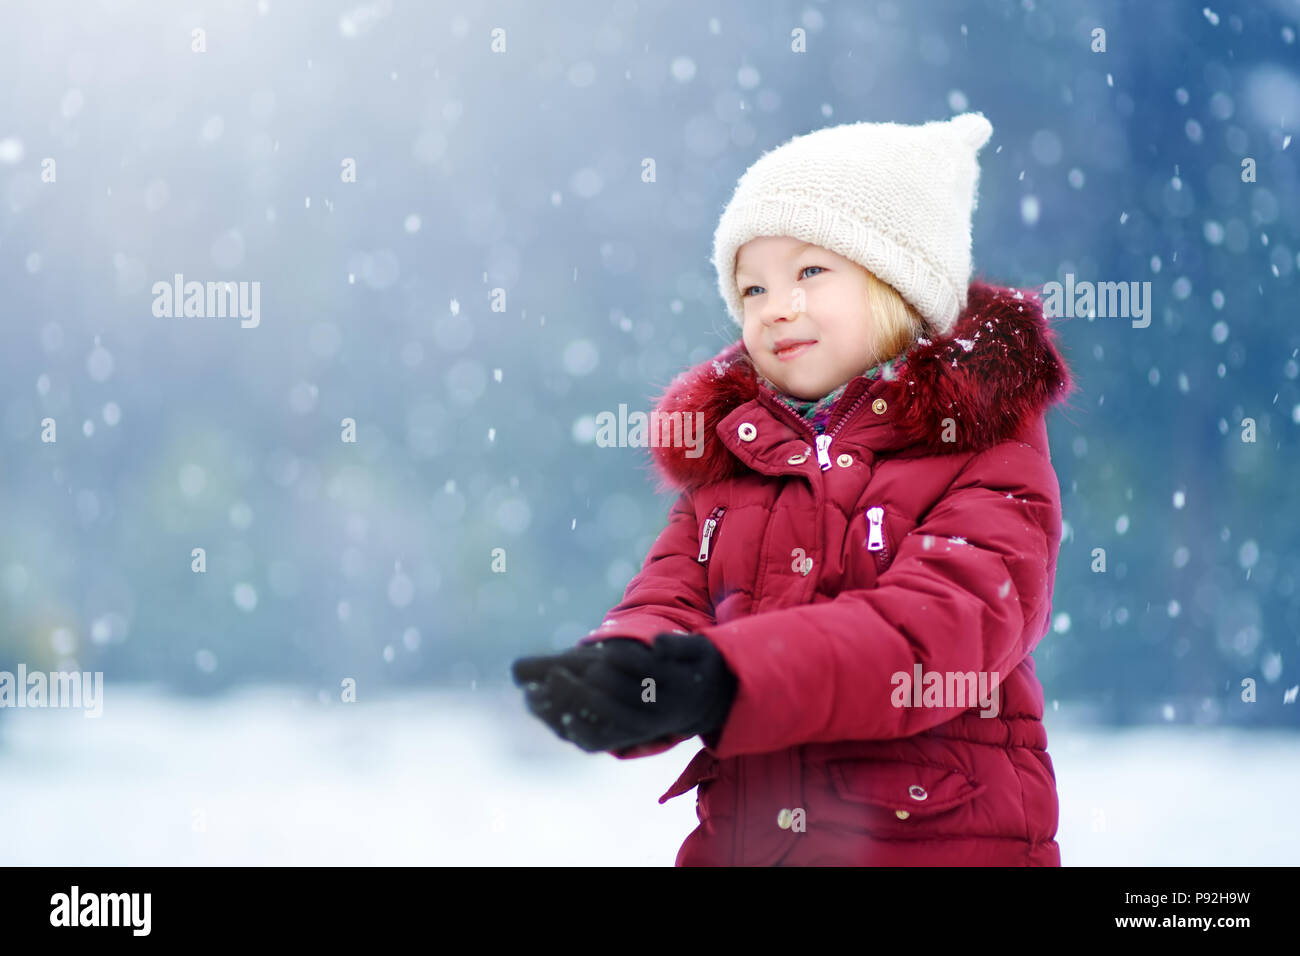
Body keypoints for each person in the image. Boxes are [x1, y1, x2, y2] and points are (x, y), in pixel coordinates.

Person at [512, 112, 1078, 866]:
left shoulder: (982, 453)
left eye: (810, 271)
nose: (775, 306)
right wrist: (625, 672)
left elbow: (930, 636)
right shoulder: (733, 463)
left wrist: (726, 678)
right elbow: (669, 598)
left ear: (901, 283)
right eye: (751, 288)